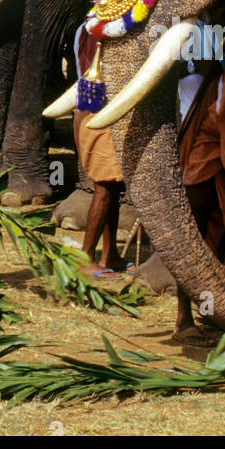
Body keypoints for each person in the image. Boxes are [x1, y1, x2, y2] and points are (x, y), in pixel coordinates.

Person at [173, 3, 225, 346]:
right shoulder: (188, 38)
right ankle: (183, 318)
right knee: (191, 235)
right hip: (199, 148)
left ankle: (216, 307)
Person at [71, 27, 129, 276]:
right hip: (99, 113)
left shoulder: (87, 30)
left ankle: (109, 255)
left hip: (104, 112)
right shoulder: (102, 31)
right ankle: (85, 257)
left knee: (114, 187)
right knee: (105, 188)